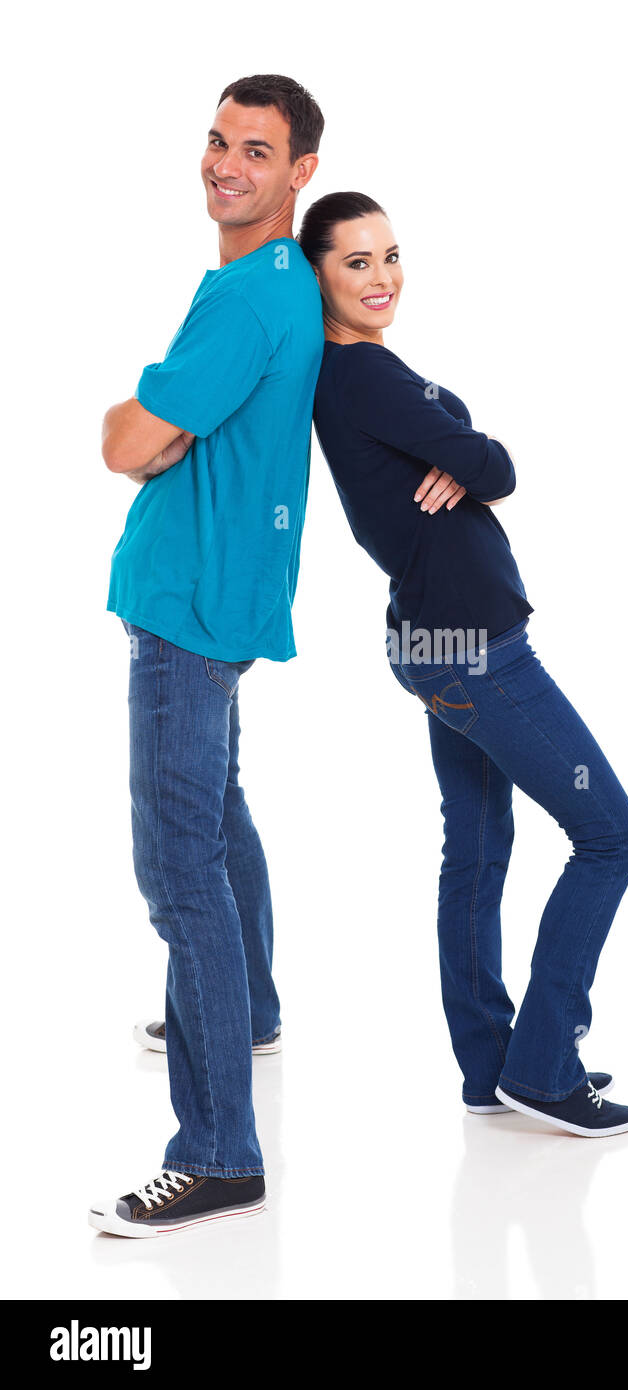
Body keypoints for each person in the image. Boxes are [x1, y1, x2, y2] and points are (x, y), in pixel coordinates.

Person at [299, 193, 628, 1138]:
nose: (383, 279)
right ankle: (542, 1062)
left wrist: (453, 434)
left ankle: (491, 1065)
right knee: (613, 836)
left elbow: (464, 448)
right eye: (357, 263)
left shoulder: (356, 372)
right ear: (317, 274)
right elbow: (493, 467)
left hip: (436, 641)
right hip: (475, 653)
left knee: (480, 846)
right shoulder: (364, 376)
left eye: (392, 256)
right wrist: (464, 441)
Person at [90, 75, 324, 1237]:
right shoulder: (265, 282)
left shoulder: (246, 304)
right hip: (217, 595)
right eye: (220, 140)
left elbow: (127, 440)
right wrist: (153, 427)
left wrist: (134, 423)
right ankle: (251, 1008)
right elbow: (157, 434)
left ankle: (219, 1151)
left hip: (188, 609)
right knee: (216, 812)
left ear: (299, 174)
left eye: (257, 149)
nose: (226, 163)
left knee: (178, 865)